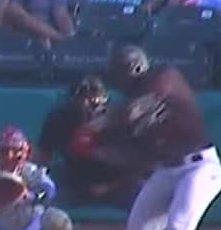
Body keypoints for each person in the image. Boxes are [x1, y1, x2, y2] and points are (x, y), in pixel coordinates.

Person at [89, 45, 221, 230]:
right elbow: (137, 155)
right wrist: (99, 150)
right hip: (166, 170)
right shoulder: (128, 112)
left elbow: (148, 101)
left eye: (121, 72)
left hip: (199, 167)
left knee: (178, 229)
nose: (119, 79)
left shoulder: (164, 76)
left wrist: (107, 122)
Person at [35, 76, 143, 207]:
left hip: (116, 182)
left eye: (93, 103)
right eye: (81, 99)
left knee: (141, 195)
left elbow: (139, 164)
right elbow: (43, 156)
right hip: (74, 180)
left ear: (104, 100)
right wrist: (41, 180)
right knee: (45, 195)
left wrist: (109, 186)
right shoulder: (58, 119)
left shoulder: (118, 121)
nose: (86, 107)